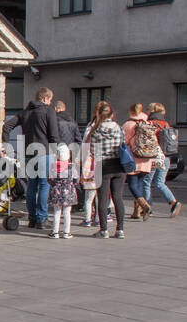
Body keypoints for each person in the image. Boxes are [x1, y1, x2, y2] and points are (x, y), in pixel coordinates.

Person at [1, 87, 62, 229]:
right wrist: (56, 152)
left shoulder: (25, 112)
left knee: (31, 187)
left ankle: (32, 218)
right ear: (45, 98)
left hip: (28, 155)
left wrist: (6, 145)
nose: (50, 102)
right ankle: (42, 219)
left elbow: (7, 126)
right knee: (44, 185)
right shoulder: (48, 111)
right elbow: (54, 134)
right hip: (44, 153)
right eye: (50, 100)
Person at [85, 101, 127, 238]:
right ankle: (120, 230)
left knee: (102, 199)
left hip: (102, 166)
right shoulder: (119, 128)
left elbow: (92, 150)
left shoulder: (95, 130)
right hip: (119, 165)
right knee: (118, 198)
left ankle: (104, 230)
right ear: (112, 115)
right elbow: (123, 144)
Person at [144, 102, 183, 217]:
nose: (147, 111)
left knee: (146, 182)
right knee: (160, 182)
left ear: (152, 111)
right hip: (166, 157)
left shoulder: (150, 123)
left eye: (148, 109)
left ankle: (147, 207)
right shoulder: (166, 124)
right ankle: (173, 202)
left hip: (154, 156)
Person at [123, 103, 155, 221]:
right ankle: (136, 211)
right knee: (139, 184)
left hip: (133, 158)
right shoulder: (148, 123)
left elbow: (123, 142)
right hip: (147, 159)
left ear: (131, 111)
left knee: (132, 184)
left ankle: (145, 205)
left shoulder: (128, 124)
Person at [48, 143, 78, 239]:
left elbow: (49, 180)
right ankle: (66, 232)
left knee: (57, 213)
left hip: (56, 193)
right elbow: (76, 180)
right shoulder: (72, 167)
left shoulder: (53, 167)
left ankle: (55, 232)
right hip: (68, 193)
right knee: (67, 213)